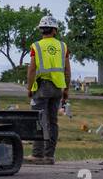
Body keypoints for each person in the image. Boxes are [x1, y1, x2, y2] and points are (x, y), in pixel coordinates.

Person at [25, 15, 70, 165]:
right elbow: (67, 70)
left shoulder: (36, 46)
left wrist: (30, 87)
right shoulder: (63, 46)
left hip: (42, 87)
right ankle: (49, 156)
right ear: (54, 30)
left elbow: (32, 69)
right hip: (58, 87)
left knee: (39, 120)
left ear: (41, 30)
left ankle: (37, 155)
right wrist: (66, 90)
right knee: (52, 121)